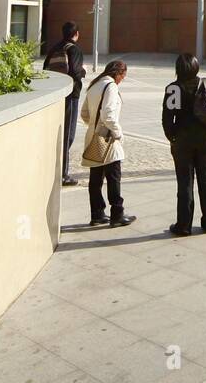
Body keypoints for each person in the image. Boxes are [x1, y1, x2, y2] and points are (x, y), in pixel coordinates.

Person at [161, 53, 206, 236]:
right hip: (204, 139)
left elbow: (167, 118)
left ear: (178, 69)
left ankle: (184, 225)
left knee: (185, 182)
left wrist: (172, 137)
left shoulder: (174, 88)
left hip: (182, 141)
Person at [81, 60, 137, 228]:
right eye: (123, 76)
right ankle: (117, 214)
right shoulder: (110, 86)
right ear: (118, 74)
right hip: (108, 137)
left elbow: (84, 113)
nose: (122, 80)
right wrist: (118, 132)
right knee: (114, 176)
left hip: (93, 136)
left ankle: (97, 213)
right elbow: (108, 114)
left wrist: (93, 126)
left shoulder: (94, 84)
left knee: (96, 178)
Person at [44, 21, 86, 187]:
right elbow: (75, 72)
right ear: (76, 34)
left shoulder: (54, 48)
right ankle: (63, 174)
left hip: (54, 95)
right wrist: (82, 72)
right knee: (67, 135)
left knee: (56, 132)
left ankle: (52, 170)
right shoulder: (74, 49)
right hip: (70, 97)